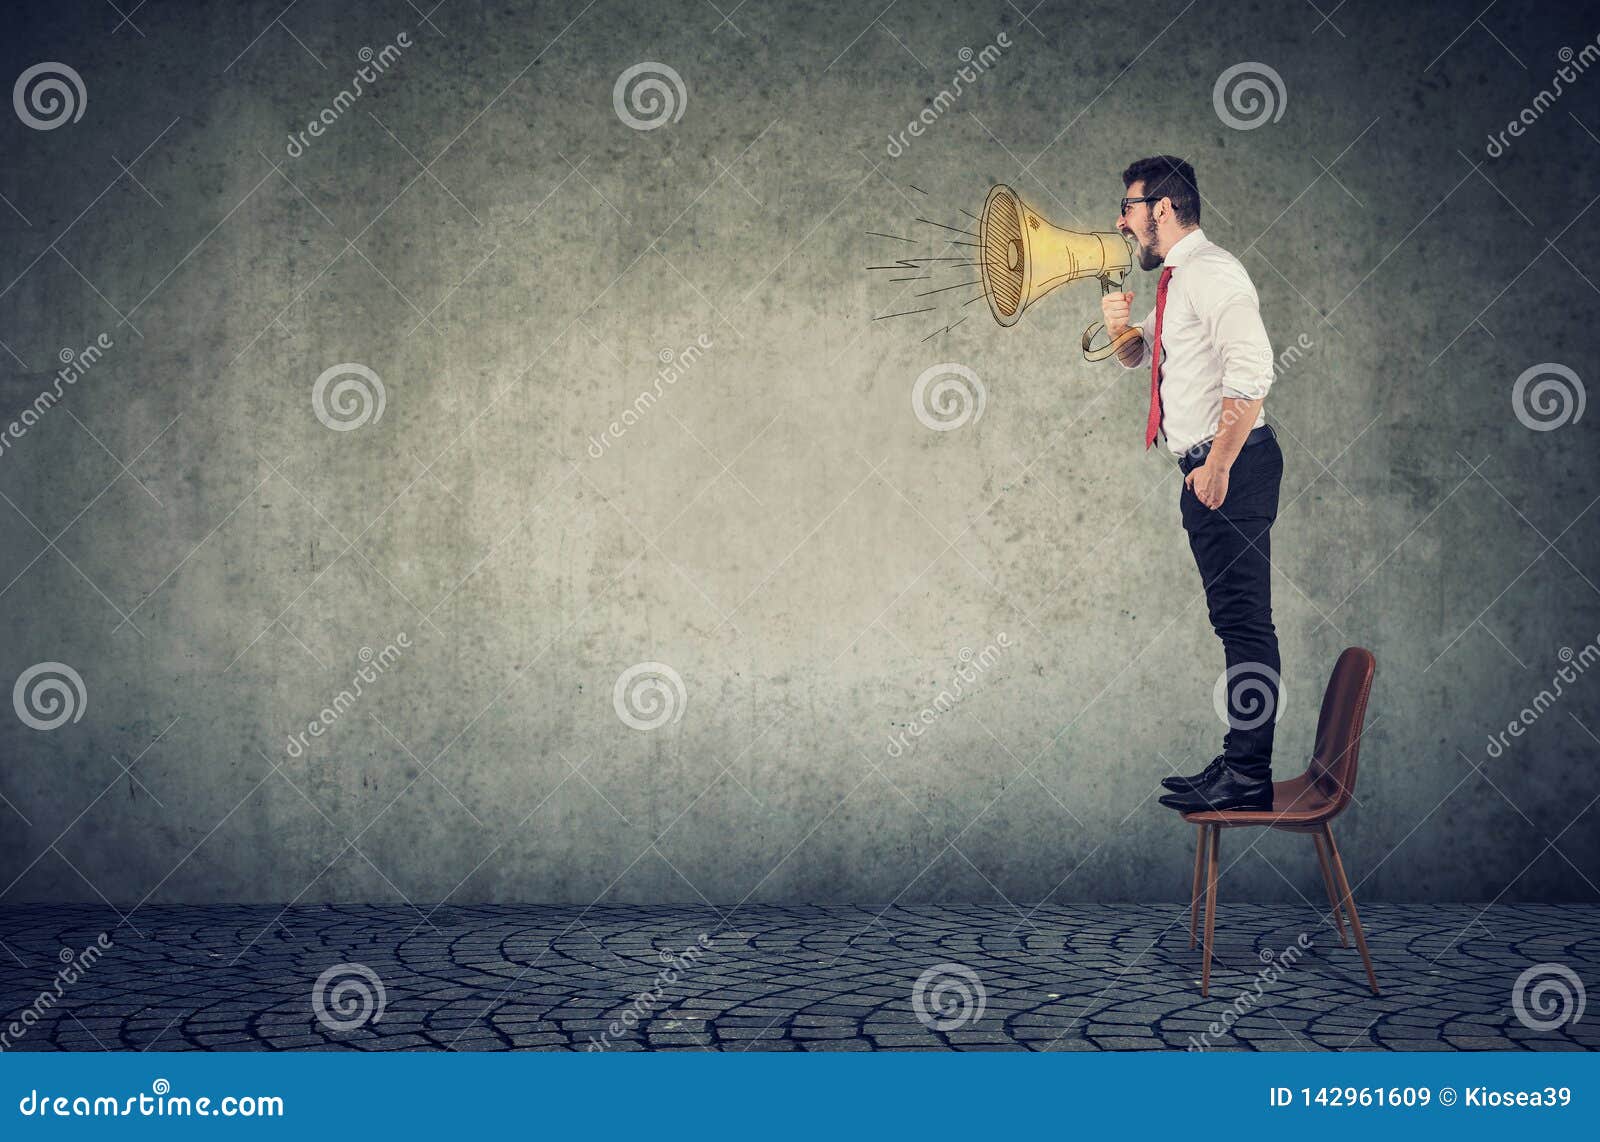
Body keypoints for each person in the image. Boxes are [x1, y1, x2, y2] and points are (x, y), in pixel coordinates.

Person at [1099, 156, 1283, 813]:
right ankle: (1240, 762)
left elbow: (1255, 370)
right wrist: (1120, 323)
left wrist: (1220, 464)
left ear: (1164, 209)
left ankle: (1250, 777)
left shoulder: (1212, 273)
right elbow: (1140, 357)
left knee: (1245, 624)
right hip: (1212, 466)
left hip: (1232, 464)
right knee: (1234, 623)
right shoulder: (1176, 282)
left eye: (1128, 206)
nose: (1121, 219)